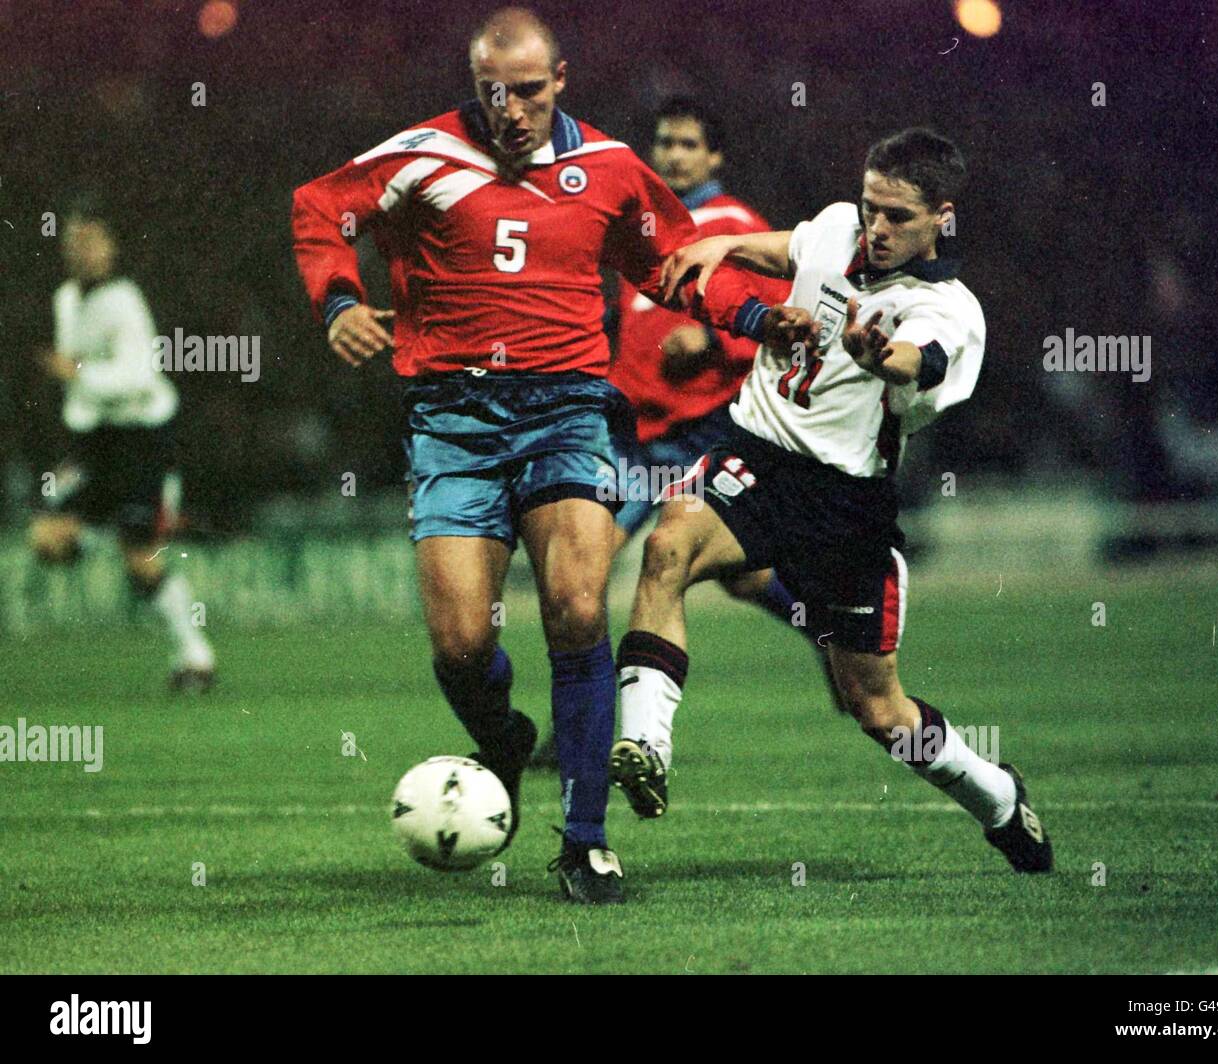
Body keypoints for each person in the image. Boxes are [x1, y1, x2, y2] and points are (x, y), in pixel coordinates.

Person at [291, 7, 754, 902]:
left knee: (577, 608)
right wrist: (339, 301)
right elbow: (319, 207)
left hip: (568, 410)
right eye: (494, 92)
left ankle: (585, 839)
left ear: (562, 81)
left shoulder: (613, 169)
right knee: (463, 645)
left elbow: (671, 265)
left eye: (530, 92)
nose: (511, 110)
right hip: (452, 417)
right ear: (476, 86)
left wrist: (760, 318)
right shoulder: (419, 156)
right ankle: (503, 737)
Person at [610, 128, 1054, 873]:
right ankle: (645, 745)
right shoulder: (838, 228)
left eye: (897, 218)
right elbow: (783, 248)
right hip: (755, 456)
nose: (876, 228)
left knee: (877, 711)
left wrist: (881, 356)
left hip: (843, 506)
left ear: (941, 217)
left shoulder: (947, 308)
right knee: (666, 547)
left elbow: (923, 357)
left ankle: (998, 798)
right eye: (870, 207)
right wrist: (721, 249)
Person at [532, 96, 845, 773]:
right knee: (580, 571)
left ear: (715, 156)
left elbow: (795, 317)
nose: (672, 155)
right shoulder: (640, 228)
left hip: (709, 429)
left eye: (687, 144)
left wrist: (713, 342)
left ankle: (829, 634)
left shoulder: (734, 224)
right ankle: (581, 728)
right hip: (633, 437)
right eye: (664, 142)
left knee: (739, 575)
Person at [29, 195, 216, 691]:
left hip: (141, 438)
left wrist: (77, 374)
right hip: (94, 440)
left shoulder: (125, 300)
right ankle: (102, 530)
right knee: (47, 539)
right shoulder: (67, 298)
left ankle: (196, 657)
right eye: (75, 241)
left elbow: (138, 376)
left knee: (142, 560)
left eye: (93, 240)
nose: (83, 250)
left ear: (112, 247)